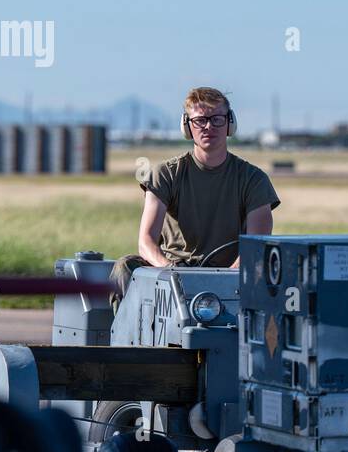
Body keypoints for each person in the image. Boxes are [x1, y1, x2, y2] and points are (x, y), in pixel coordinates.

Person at [110, 86, 280, 307]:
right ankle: (133, 339)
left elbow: (256, 246)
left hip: (230, 272)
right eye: (200, 120)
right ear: (187, 127)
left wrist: (228, 279)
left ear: (230, 123)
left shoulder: (253, 179)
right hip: (172, 270)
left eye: (217, 119)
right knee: (125, 267)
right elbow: (146, 242)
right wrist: (169, 270)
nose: (209, 126)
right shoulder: (166, 173)